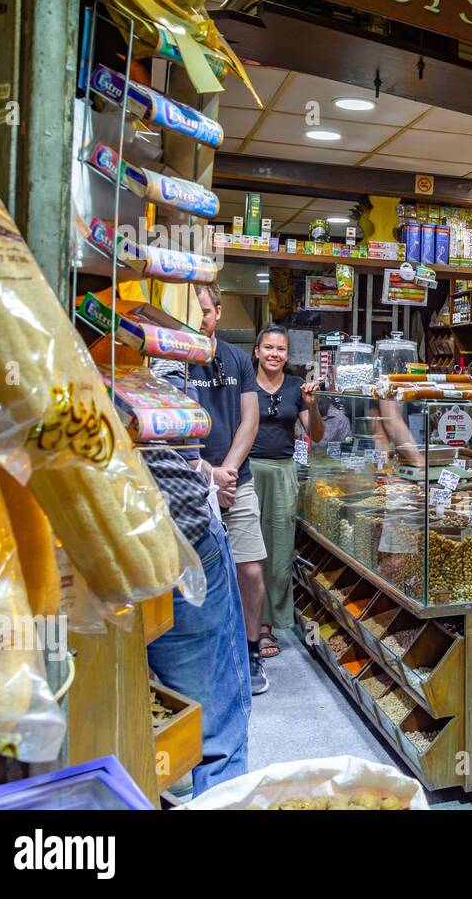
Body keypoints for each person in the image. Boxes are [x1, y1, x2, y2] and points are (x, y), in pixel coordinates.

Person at [143, 448, 251, 796]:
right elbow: (184, 449)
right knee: (216, 731)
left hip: (74, 562)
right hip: (172, 537)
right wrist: (206, 472)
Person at [189, 284, 270, 695]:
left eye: (203, 311)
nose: (197, 318)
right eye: (191, 310)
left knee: (251, 570)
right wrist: (208, 474)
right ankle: (209, 657)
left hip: (237, 482)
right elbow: (168, 431)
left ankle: (251, 650)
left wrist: (227, 473)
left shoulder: (238, 359)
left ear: (218, 313)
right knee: (198, 572)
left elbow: (249, 421)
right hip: (188, 482)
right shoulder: (172, 361)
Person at [249, 323, 324, 659]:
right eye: (268, 348)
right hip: (247, 470)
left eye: (280, 349)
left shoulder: (297, 387)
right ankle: (246, 622)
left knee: (279, 553)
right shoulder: (245, 383)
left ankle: (266, 626)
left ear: (286, 355)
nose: (274, 354)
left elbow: (317, 435)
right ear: (257, 351)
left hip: (283, 473)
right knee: (248, 550)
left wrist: (313, 404)